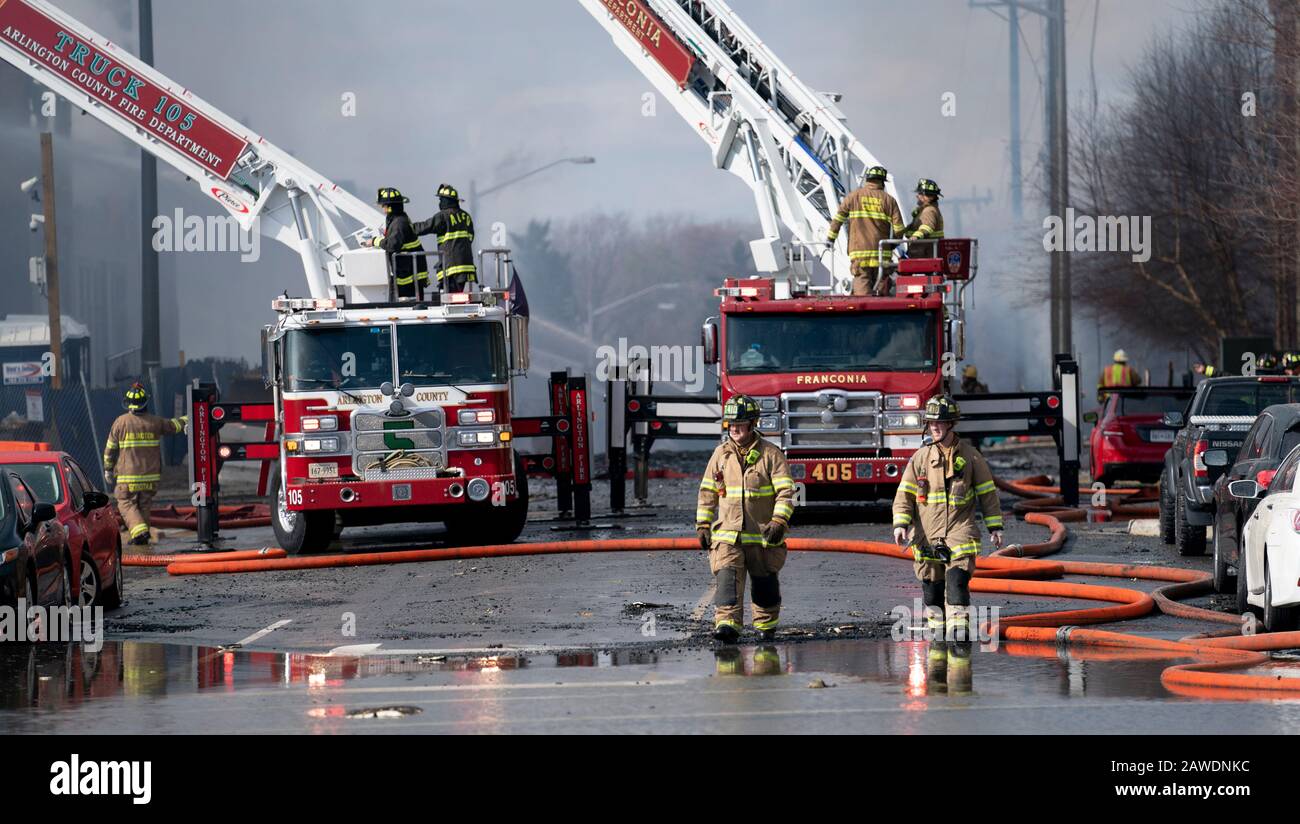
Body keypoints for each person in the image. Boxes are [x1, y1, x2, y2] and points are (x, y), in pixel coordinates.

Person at [892, 395, 1003, 647]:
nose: (934, 427)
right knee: (931, 592)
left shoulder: (971, 457)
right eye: (931, 423)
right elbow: (904, 494)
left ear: (952, 424)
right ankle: (937, 653)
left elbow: (988, 493)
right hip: (925, 536)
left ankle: (960, 650)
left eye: (939, 423)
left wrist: (994, 526)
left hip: (959, 531)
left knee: (956, 582)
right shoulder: (920, 459)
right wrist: (900, 523)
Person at [695, 394, 795, 643]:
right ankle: (727, 625)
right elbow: (707, 492)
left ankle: (765, 626)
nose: (735, 429)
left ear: (753, 424)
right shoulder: (721, 455)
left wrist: (778, 522)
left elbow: (786, 492)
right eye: (731, 424)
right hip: (728, 534)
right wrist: (703, 526)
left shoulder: (771, 455)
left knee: (764, 585)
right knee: (727, 580)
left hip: (763, 536)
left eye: (740, 424)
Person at [102, 383, 188, 546]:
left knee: (125, 502)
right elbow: (174, 426)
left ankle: (140, 532)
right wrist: (189, 417)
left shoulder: (121, 422)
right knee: (144, 505)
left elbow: (110, 449)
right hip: (151, 477)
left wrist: (108, 469)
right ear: (145, 403)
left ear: (128, 404)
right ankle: (141, 539)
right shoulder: (155, 422)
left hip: (128, 477)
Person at [826, 166, 905, 296]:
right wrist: (892, 245)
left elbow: (838, 219)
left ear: (867, 179)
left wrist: (830, 239)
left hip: (859, 255)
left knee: (862, 297)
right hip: (882, 256)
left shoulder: (853, 196)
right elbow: (899, 230)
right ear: (882, 182)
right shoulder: (889, 200)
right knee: (882, 295)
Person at [413, 183, 478, 292]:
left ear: (445, 201)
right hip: (466, 266)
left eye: (441, 200)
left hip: (451, 267)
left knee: (451, 298)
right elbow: (470, 237)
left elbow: (425, 227)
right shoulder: (466, 216)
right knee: (458, 296)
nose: (440, 203)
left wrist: (407, 228)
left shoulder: (443, 216)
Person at [369, 187, 429, 299]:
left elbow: (392, 245)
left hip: (408, 274)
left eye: (384, 206)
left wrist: (375, 241)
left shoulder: (399, 222)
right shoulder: (399, 220)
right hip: (408, 270)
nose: (383, 209)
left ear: (390, 207)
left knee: (406, 303)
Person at [901, 178, 944, 259]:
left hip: (926, 253)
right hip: (923, 252)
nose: (917, 196)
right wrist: (903, 231)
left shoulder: (929, 211)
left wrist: (915, 236)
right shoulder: (925, 210)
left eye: (920, 193)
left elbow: (927, 227)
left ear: (930, 197)